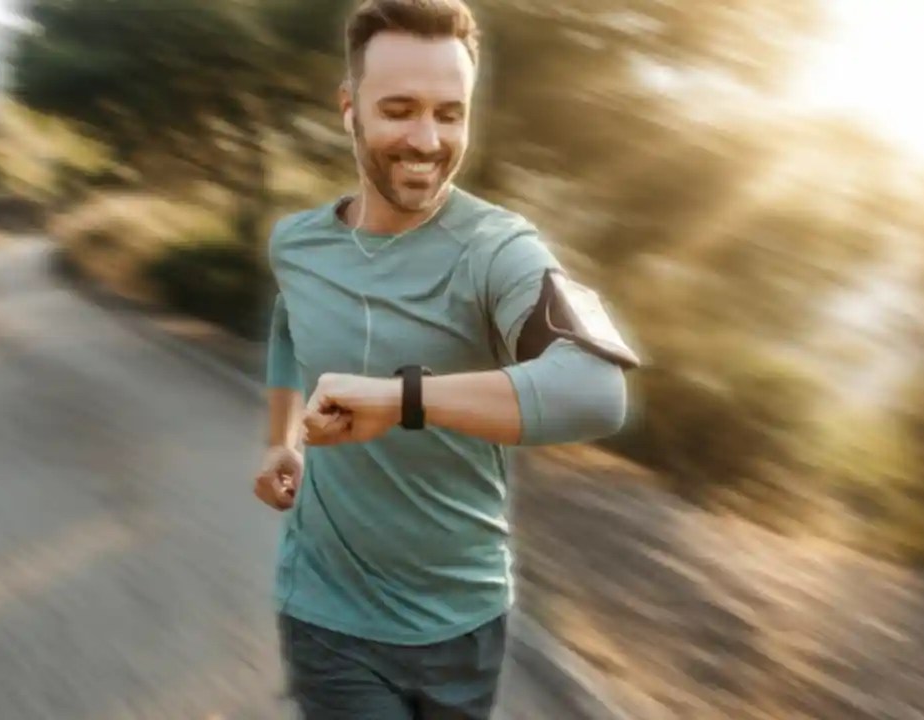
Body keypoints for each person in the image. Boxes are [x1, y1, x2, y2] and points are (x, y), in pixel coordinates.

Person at [254, 0, 640, 717]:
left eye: (450, 113)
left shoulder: (500, 249)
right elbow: (287, 323)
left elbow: (595, 389)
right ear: (350, 109)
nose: (427, 140)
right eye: (398, 109)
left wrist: (401, 400)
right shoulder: (297, 245)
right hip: (326, 612)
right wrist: (282, 441)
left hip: (465, 619)